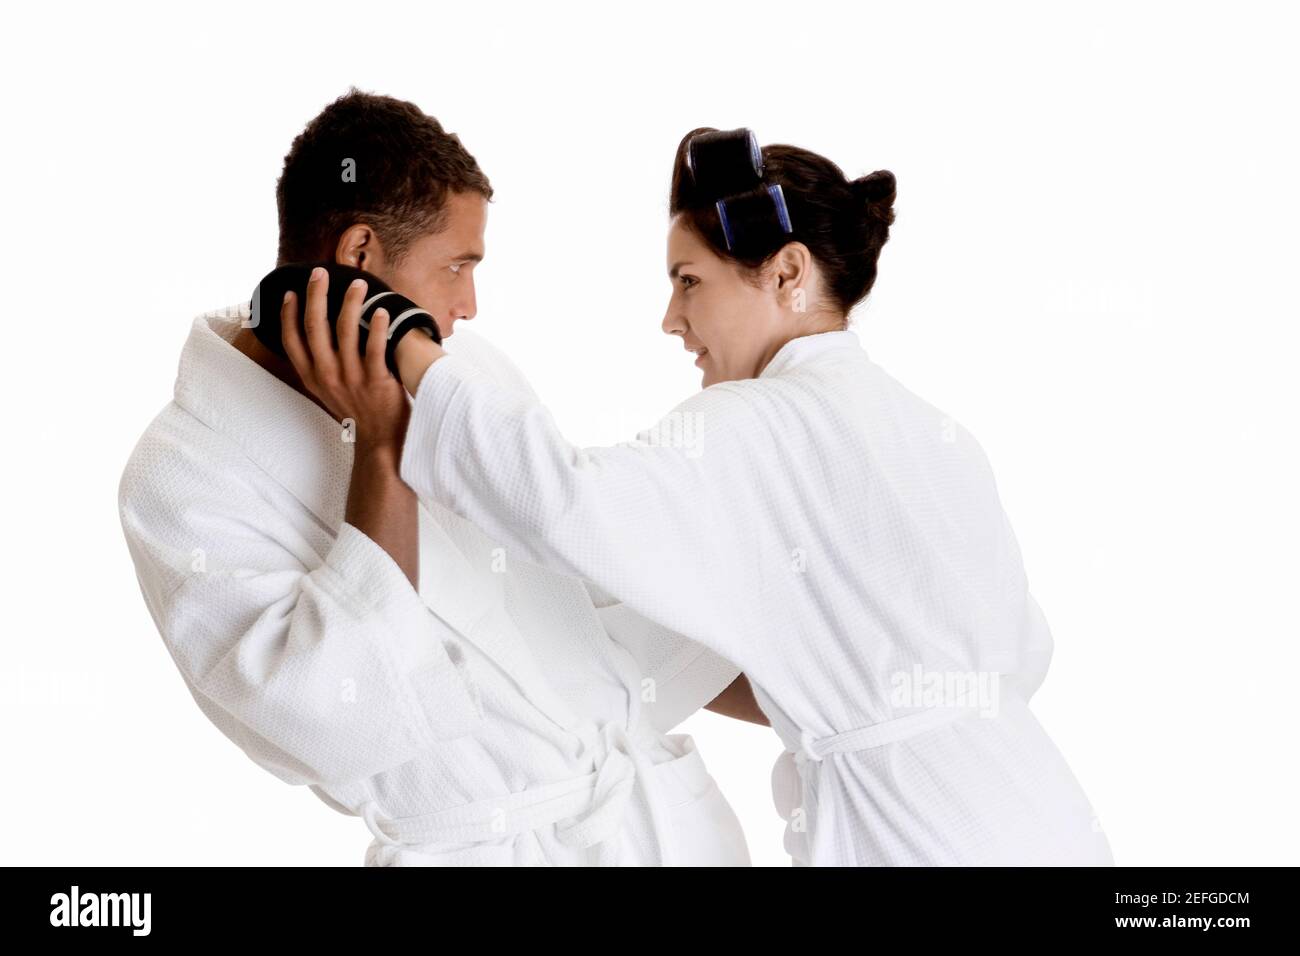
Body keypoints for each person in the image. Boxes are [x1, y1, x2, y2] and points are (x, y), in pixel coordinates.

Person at [289, 126, 1115, 866]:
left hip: (917, 837)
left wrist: (403, 348)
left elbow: (564, 500)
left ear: (787, 272)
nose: (671, 318)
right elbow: (1013, 651)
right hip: (1045, 811)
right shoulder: (935, 432)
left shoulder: (755, 423)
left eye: (689, 281)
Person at [119, 92, 757, 866]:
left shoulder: (460, 374)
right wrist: (382, 450)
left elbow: (592, 594)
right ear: (360, 255)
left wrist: (816, 684)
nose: (469, 305)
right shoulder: (184, 474)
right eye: (457, 266)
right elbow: (322, 713)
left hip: (654, 823)